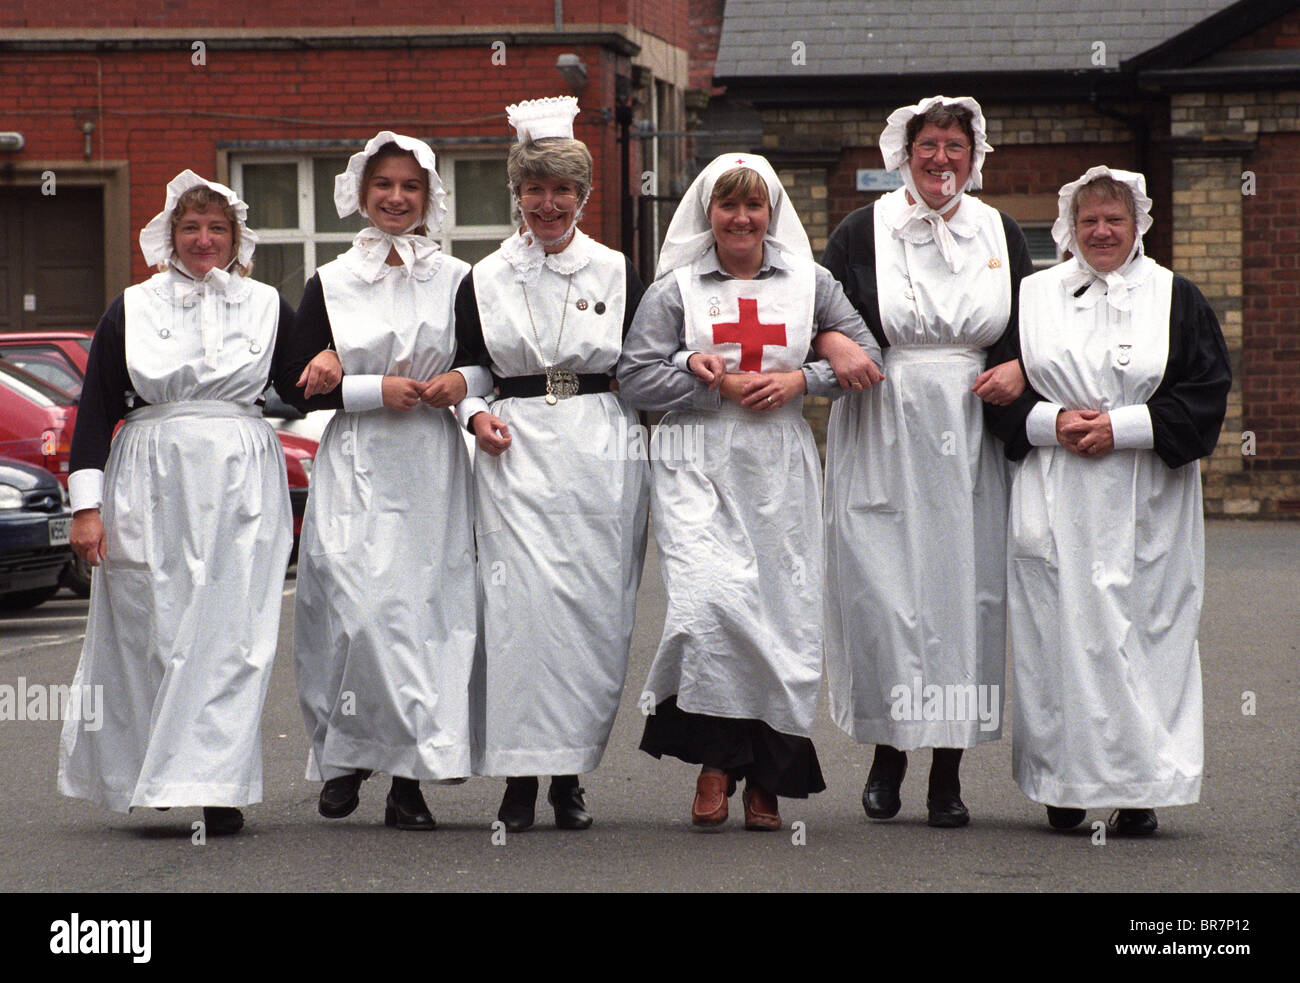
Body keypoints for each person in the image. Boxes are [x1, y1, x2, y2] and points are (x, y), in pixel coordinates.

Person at [58, 171, 335, 834]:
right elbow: (95, 409)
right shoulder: (131, 306)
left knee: (232, 633)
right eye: (191, 227)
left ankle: (215, 781)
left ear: (236, 237)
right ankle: (154, 770)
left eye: (217, 228)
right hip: (149, 472)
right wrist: (86, 506)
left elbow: (306, 390)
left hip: (241, 473)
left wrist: (330, 361)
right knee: (151, 621)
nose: (204, 239)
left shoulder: (267, 304)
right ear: (169, 236)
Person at [618, 152, 883, 830]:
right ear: (708, 213)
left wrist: (803, 381)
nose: (740, 217)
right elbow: (635, 379)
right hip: (697, 460)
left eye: (753, 205)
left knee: (779, 617)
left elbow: (865, 356)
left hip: (778, 463)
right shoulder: (676, 288)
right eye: (727, 205)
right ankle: (715, 761)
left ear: (772, 213)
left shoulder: (810, 282)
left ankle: (764, 779)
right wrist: (706, 377)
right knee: (711, 603)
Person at [984, 166, 1230, 836]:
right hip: (1056, 491)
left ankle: (1139, 785)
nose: (1100, 231)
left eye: (1113, 220)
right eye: (1088, 220)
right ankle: (1062, 783)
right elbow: (999, 399)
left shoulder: (1176, 297)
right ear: (1068, 226)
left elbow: (1205, 395)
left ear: (1137, 224)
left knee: (1145, 635)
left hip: (1146, 493)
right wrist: (1053, 423)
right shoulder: (1033, 297)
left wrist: (1122, 427)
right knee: (1058, 638)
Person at [819, 95, 1034, 828]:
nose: (941, 157)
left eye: (955, 144)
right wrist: (832, 342)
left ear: (974, 156)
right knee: (884, 592)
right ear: (903, 152)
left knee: (963, 594)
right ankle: (889, 751)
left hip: (968, 423)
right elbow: (819, 309)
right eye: (928, 144)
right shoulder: (861, 229)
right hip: (884, 415)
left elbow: (1033, 325)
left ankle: (948, 768)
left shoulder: (999, 232)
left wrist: (1021, 370)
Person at [454, 96, 649, 831]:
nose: (548, 202)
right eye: (534, 189)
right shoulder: (484, 276)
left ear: (583, 194)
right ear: (517, 194)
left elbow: (645, 364)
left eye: (561, 188)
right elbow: (468, 369)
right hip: (516, 445)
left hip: (601, 448)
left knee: (590, 614)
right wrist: (474, 415)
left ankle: (569, 771)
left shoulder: (618, 269)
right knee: (518, 614)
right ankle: (517, 775)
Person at [289, 132, 479, 831]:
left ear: (429, 196)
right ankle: (345, 752)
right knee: (356, 615)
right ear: (361, 194)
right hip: (360, 459)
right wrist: (366, 385)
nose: (396, 197)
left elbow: (481, 360)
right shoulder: (330, 282)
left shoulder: (458, 277)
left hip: (430, 460)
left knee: (419, 619)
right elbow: (297, 387)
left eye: (410, 186)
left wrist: (461, 380)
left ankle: (406, 779)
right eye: (384, 185)